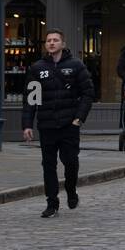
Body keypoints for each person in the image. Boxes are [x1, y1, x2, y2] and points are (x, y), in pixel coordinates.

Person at [23, 29, 95, 218]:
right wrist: (27, 125)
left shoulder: (76, 65)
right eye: (49, 40)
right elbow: (32, 99)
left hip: (69, 124)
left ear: (63, 44)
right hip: (46, 125)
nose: (52, 43)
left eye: (56, 40)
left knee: (70, 161)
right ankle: (52, 203)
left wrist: (78, 118)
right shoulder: (37, 68)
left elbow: (88, 93)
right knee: (48, 165)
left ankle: (71, 190)